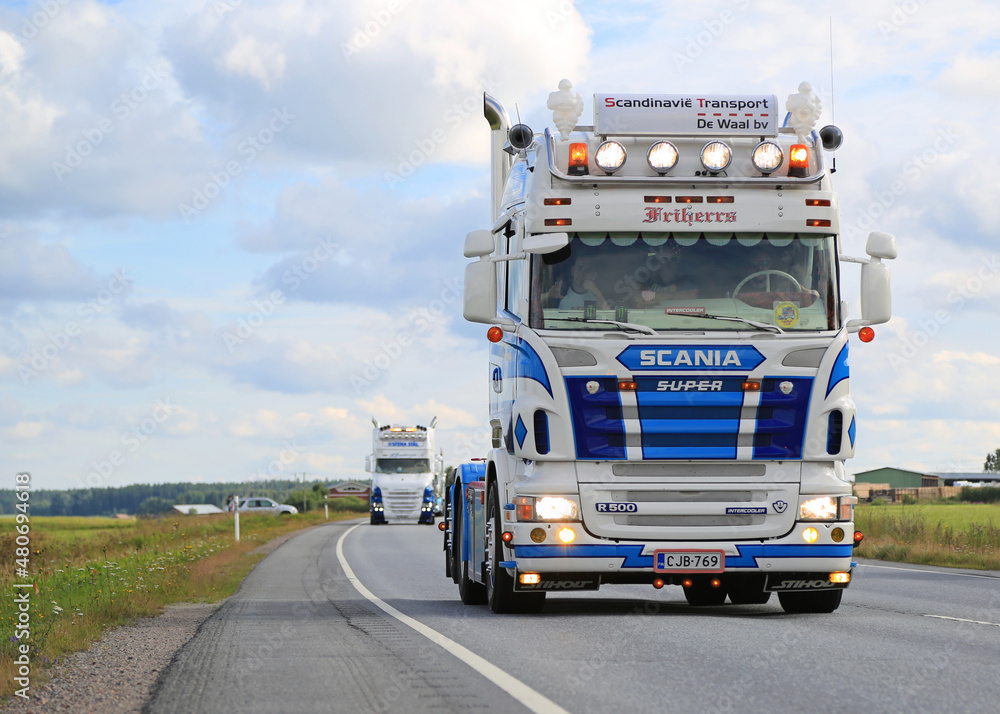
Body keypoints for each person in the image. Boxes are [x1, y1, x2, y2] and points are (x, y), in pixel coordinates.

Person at [633, 244, 698, 306]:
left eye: (673, 258)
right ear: (658, 260)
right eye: (664, 258)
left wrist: (654, 296)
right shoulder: (646, 279)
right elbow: (636, 299)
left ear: (678, 261)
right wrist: (674, 295)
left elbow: (691, 297)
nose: (669, 262)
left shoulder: (686, 279)